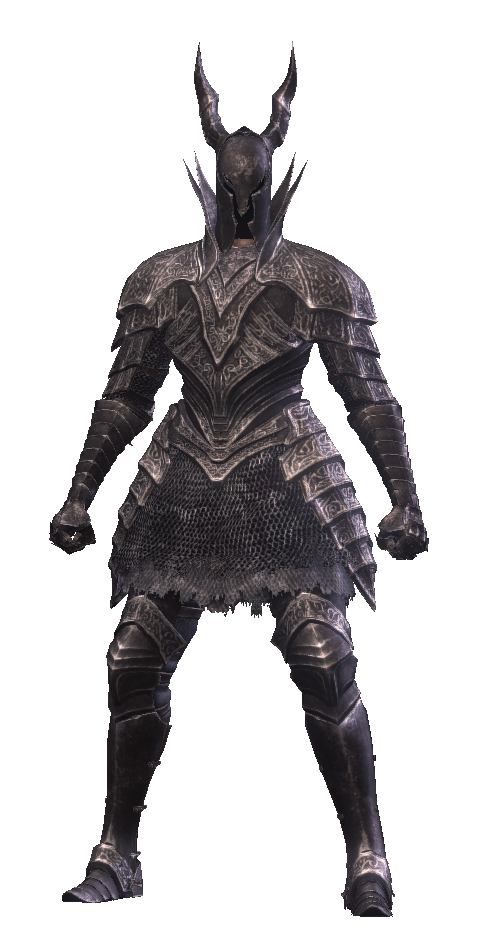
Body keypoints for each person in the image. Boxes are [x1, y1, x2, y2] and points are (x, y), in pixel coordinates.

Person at [51, 43, 428, 912]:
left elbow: (369, 397)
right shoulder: (160, 280)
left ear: (272, 184)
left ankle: (368, 855)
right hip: (184, 471)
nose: (245, 205)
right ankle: (117, 853)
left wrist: (405, 497)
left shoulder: (318, 279)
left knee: (323, 654)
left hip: (287, 468)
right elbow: (127, 395)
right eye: (234, 190)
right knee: (131, 658)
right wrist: (78, 493)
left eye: (254, 191)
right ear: (215, 183)